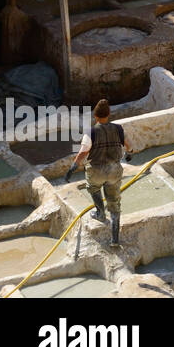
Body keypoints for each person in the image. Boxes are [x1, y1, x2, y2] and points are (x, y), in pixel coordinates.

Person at [65, 98, 130, 246]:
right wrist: (130, 153)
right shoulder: (118, 129)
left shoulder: (91, 132)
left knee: (93, 188)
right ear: (109, 114)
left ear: (95, 116)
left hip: (96, 170)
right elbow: (128, 145)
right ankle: (115, 239)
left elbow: (83, 152)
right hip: (114, 170)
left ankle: (100, 213)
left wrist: (73, 167)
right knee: (114, 202)